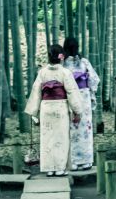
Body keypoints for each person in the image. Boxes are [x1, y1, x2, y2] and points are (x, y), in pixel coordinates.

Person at [25, 43, 85, 176]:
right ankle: (59, 168)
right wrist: (77, 111)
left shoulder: (42, 72)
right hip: (60, 107)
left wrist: (34, 112)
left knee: (47, 138)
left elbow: (36, 92)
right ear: (61, 57)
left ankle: (49, 168)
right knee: (61, 138)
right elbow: (72, 92)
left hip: (46, 107)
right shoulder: (65, 72)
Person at [62, 37, 100, 170]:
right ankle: (86, 160)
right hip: (83, 96)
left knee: (71, 128)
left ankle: (73, 161)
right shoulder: (84, 62)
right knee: (85, 127)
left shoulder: (63, 64)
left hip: (69, 96)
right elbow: (94, 79)